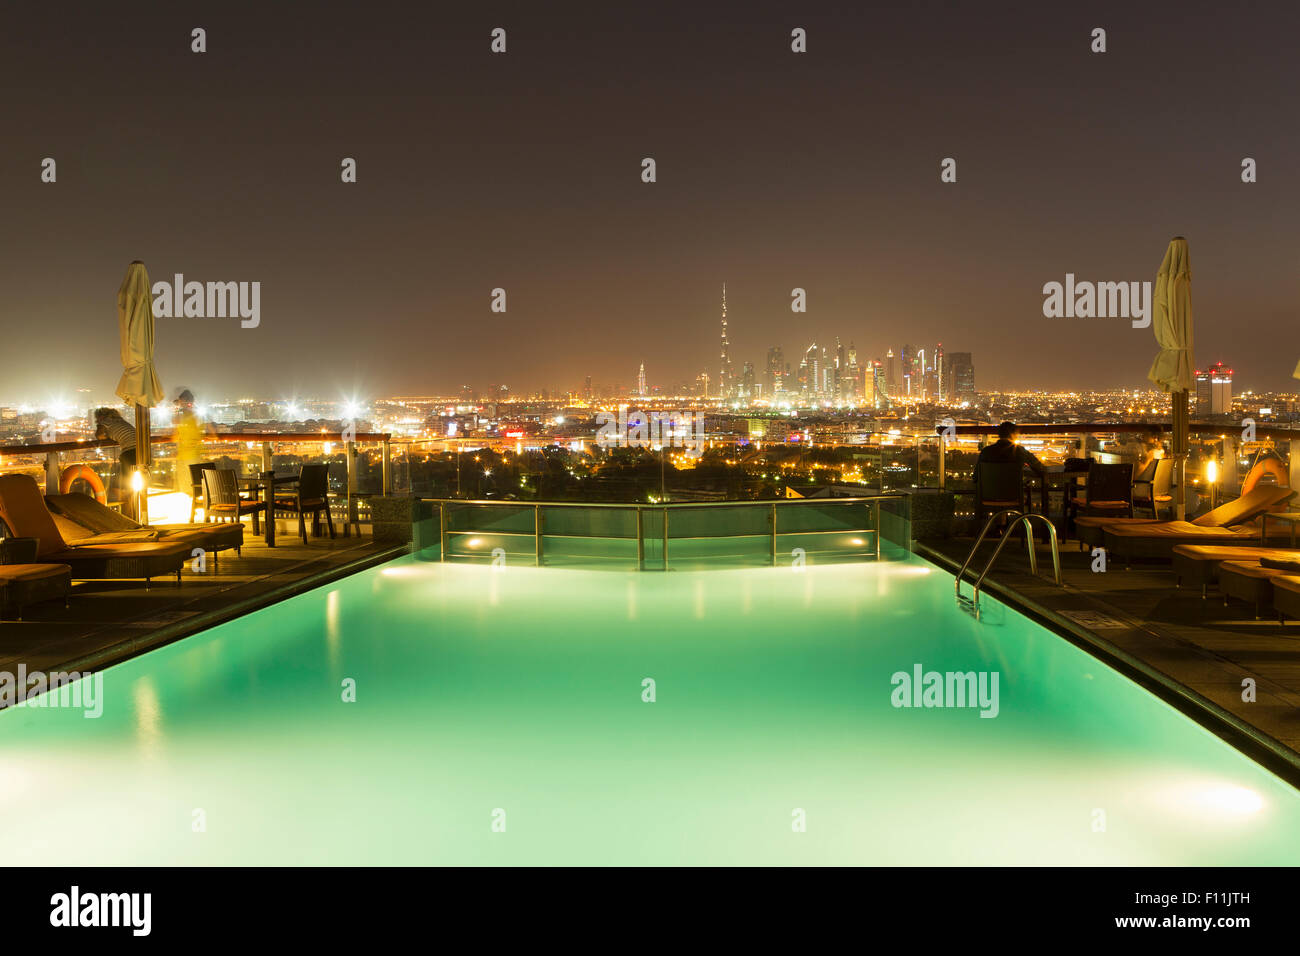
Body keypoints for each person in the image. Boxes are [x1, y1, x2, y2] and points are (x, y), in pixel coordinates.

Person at [976, 421, 1047, 528]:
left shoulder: (986, 452)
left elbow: (975, 476)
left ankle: (999, 527)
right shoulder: (1020, 451)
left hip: (988, 496)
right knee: (1010, 488)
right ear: (1013, 434)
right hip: (1014, 495)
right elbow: (1040, 469)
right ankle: (1024, 531)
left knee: (999, 486)